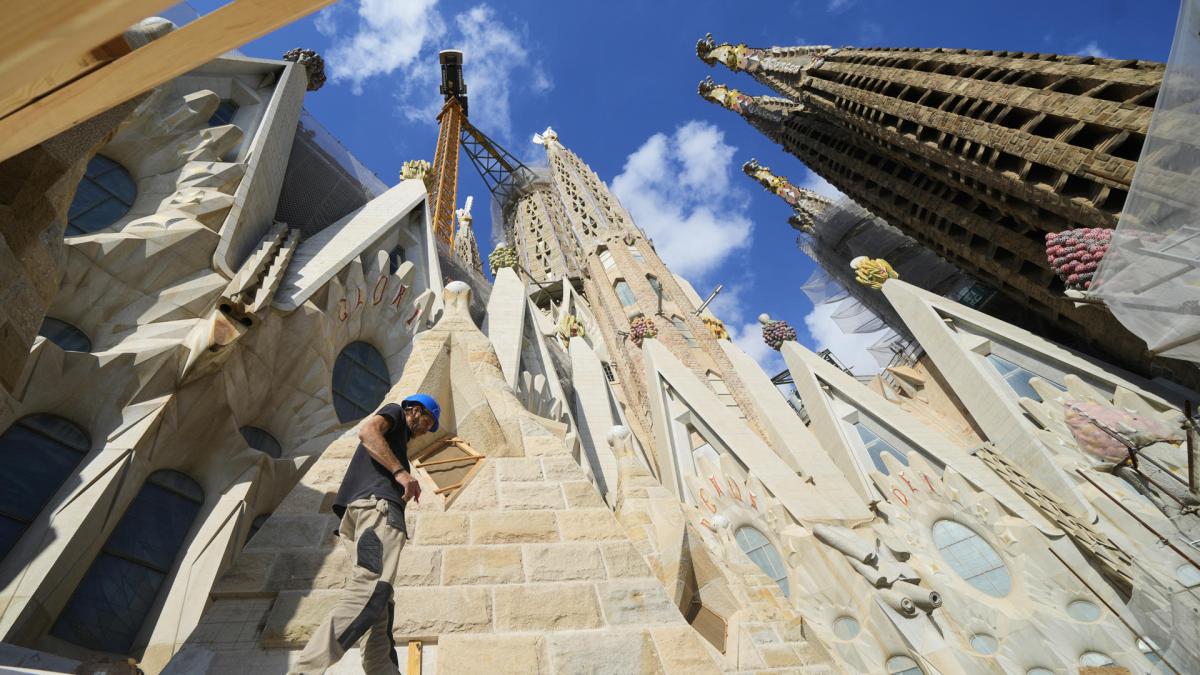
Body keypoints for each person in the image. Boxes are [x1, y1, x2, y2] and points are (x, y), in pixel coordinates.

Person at [291, 394, 441, 675]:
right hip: (377, 511)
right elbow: (367, 431)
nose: (424, 431)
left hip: (361, 515)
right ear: (415, 410)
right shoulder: (395, 412)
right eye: (427, 422)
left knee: (380, 608)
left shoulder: (394, 445)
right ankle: (305, 671)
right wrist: (400, 473)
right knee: (370, 592)